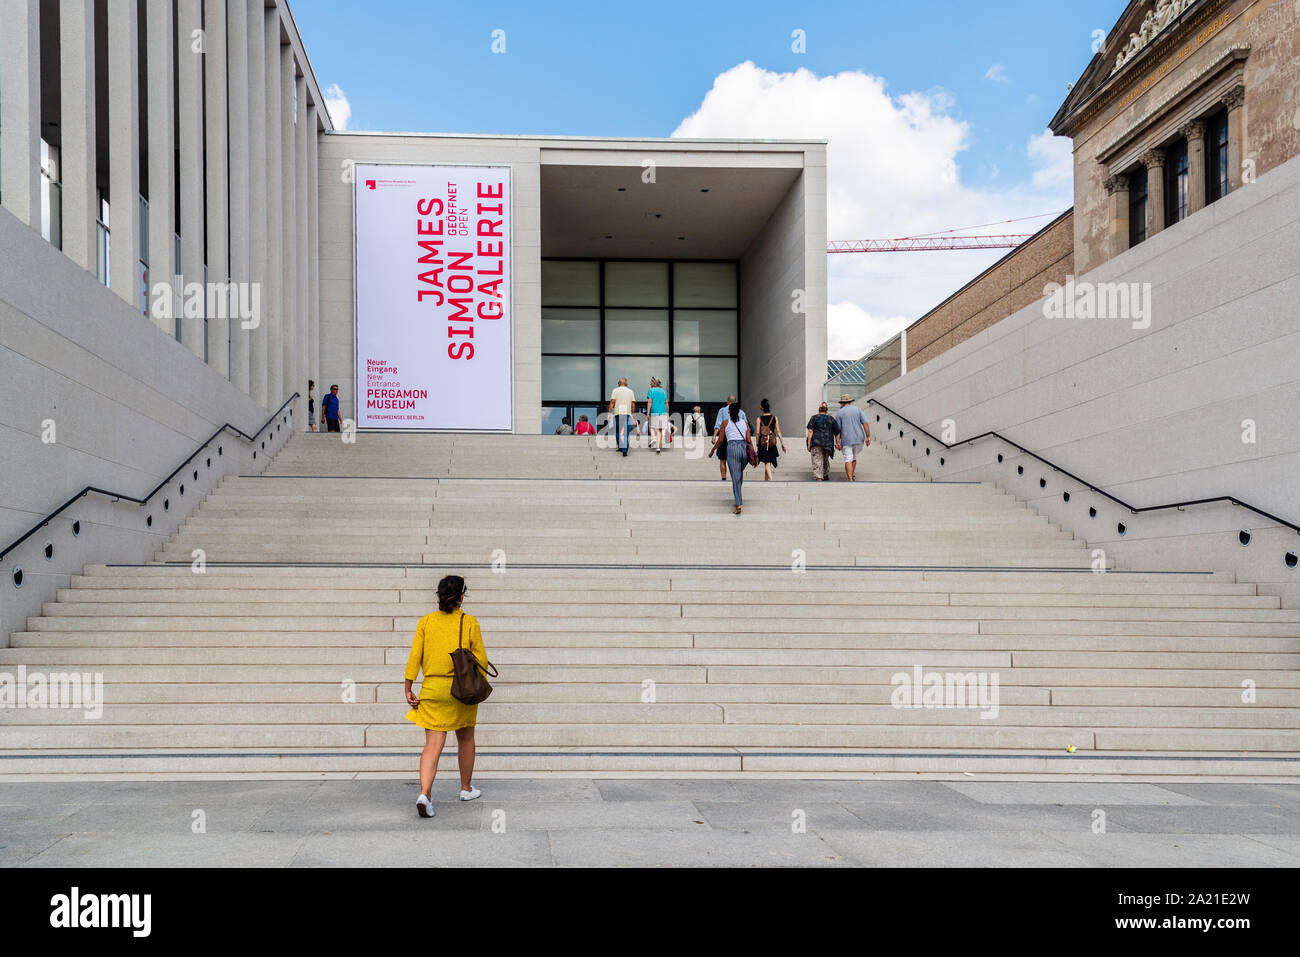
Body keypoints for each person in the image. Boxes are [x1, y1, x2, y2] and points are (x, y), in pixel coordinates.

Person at [404, 575, 489, 818]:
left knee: (433, 744)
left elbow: (414, 657)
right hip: (460, 690)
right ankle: (465, 788)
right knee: (466, 738)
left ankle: (425, 793)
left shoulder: (426, 622)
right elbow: (481, 660)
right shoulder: (469, 622)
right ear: (461, 596)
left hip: (432, 689)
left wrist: (408, 686)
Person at [710, 401, 753, 514]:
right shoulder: (745, 422)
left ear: (729, 412)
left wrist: (712, 450)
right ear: (739, 412)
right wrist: (754, 453)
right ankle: (738, 496)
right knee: (738, 475)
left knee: (735, 477)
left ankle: (738, 504)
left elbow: (720, 441)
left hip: (732, 449)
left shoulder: (725, 422)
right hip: (744, 449)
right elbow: (749, 440)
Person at [834, 393, 871, 482]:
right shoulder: (858, 410)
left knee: (848, 458)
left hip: (847, 439)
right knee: (854, 458)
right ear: (850, 401)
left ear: (842, 403)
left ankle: (850, 478)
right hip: (859, 438)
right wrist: (868, 436)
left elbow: (838, 430)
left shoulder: (839, 413)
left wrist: (837, 442)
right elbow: (865, 423)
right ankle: (851, 476)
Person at [806, 401, 839, 481]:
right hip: (828, 443)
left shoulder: (814, 418)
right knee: (825, 459)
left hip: (816, 442)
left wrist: (809, 444)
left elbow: (810, 431)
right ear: (826, 411)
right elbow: (837, 432)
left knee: (817, 459)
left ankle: (819, 477)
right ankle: (825, 474)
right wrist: (837, 442)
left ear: (819, 410)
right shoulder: (831, 419)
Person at [755, 398, 787, 481]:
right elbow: (778, 431)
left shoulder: (759, 419)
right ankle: (766, 480)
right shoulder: (774, 418)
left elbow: (758, 433)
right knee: (767, 462)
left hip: (763, 443)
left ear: (762, 409)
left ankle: (771, 481)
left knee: (767, 462)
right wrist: (782, 443)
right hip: (772, 443)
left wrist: (757, 443)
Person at [712, 395, 742, 481]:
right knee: (736, 460)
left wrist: (714, 437)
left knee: (722, 459)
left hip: (724, 437)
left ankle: (724, 478)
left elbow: (718, 425)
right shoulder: (741, 412)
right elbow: (745, 426)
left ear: (727, 402)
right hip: (737, 438)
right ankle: (736, 477)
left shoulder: (722, 410)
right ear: (736, 402)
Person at [608, 377, 635, 456]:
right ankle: (624, 449)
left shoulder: (615, 390)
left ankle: (620, 446)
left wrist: (609, 413)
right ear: (626, 384)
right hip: (627, 413)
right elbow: (633, 404)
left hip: (618, 413)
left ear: (619, 383)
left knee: (616, 431)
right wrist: (632, 414)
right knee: (626, 432)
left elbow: (612, 402)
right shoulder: (630, 391)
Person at [646, 377, 669, 453]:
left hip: (654, 411)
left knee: (651, 426)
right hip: (663, 412)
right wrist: (668, 413)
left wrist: (648, 413)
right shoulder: (663, 392)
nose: (650, 383)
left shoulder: (651, 391)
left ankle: (653, 438)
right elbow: (666, 403)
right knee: (659, 429)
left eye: (651, 382)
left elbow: (650, 402)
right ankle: (658, 448)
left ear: (654, 382)